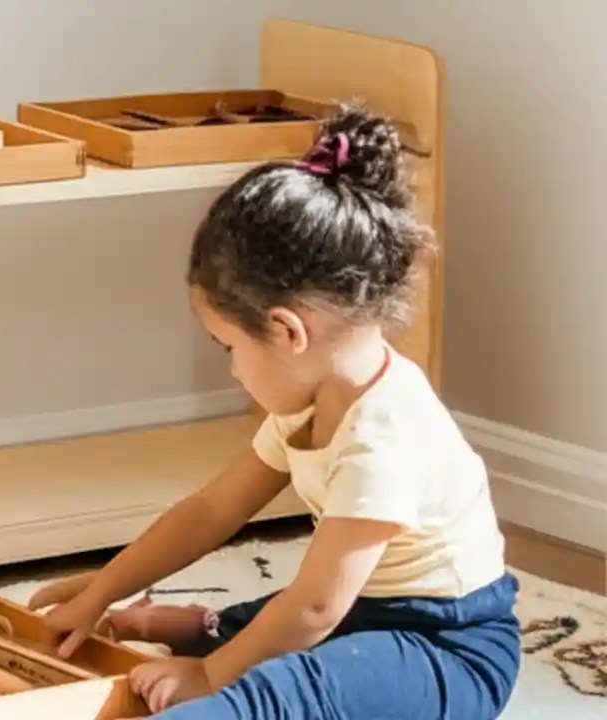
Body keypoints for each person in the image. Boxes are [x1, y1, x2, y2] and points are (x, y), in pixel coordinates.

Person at [27, 105, 521, 719]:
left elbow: (316, 610)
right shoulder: (314, 398)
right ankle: (200, 626)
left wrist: (209, 678)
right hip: (365, 611)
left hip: (447, 647)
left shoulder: (383, 440)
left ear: (288, 333)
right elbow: (210, 511)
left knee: (278, 691)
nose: (232, 369)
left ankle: (210, 644)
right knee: (278, 630)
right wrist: (101, 591)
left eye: (230, 347)